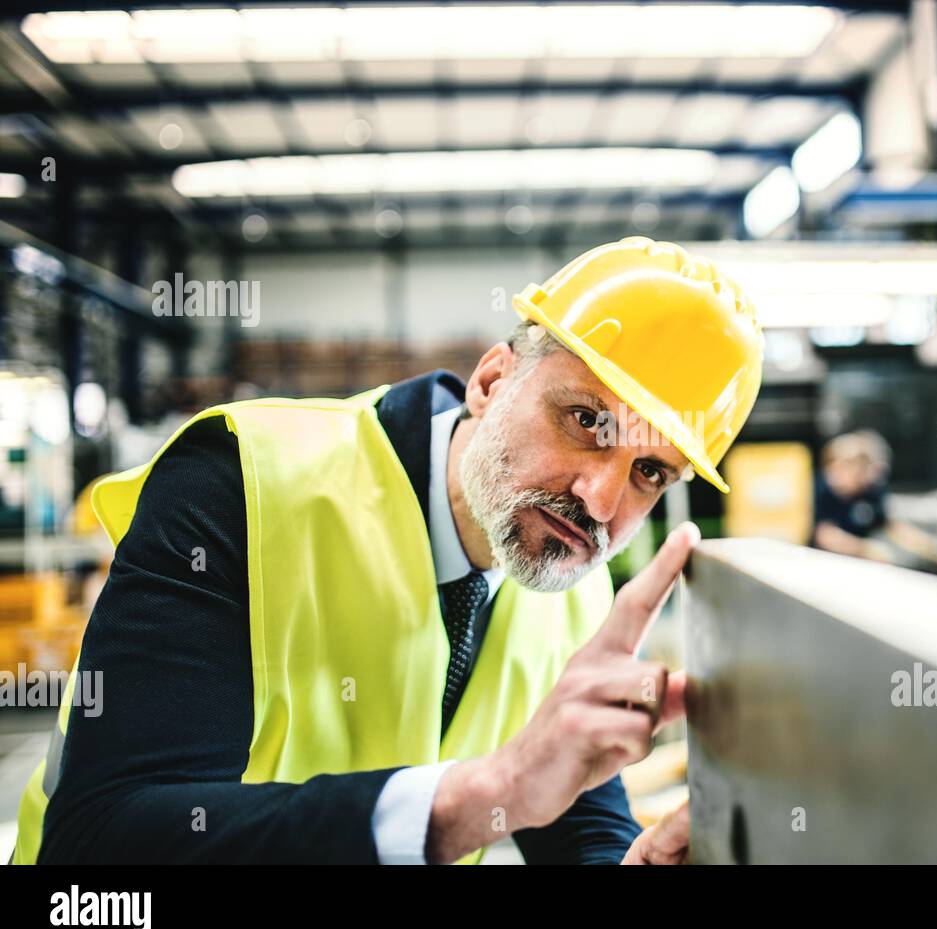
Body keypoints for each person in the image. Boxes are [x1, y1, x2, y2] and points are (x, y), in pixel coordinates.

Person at [11, 236, 763, 865]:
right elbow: (103, 838)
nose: (600, 501)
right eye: (585, 420)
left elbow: (575, 812)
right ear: (493, 381)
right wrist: (478, 795)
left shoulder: (576, 590)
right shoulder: (242, 482)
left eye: (648, 471)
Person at [812, 430, 937, 569]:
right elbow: (824, 534)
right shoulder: (816, 490)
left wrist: (934, 551)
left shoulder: (869, 490)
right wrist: (866, 549)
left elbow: (891, 525)